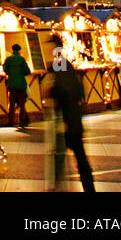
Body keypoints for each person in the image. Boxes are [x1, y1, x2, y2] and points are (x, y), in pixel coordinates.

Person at [47, 34, 95, 194]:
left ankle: (61, 186)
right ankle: (85, 187)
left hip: (68, 120)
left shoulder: (61, 64)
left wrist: (53, 92)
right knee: (74, 157)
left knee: (68, 156)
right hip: (72, 118)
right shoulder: (63, 65)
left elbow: (63, 89)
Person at [3, 42, 30, 130]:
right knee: (22, 105)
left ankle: (11, 122)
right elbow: (27, 71)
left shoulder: (8, 59)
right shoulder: (22, 59)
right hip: (21, 85)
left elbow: (5, 70)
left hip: (12, 84)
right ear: (19, 50)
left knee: (11, 104)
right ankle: (22, 122)